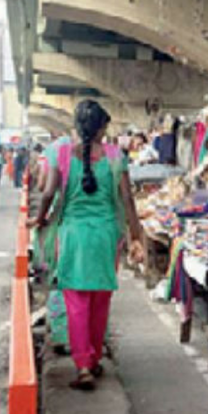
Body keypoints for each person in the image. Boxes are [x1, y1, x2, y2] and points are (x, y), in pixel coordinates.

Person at [33, 100, 146, 391]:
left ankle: (83, 365)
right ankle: (94, 357)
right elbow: (127, 199)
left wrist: (40, 219)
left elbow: (48, 193)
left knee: (76, 301)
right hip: (106, 236)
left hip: (72, 236)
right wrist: (135, 236)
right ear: (101, 129)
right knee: (100, 300)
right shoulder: (115, 156)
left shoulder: (62, 154)